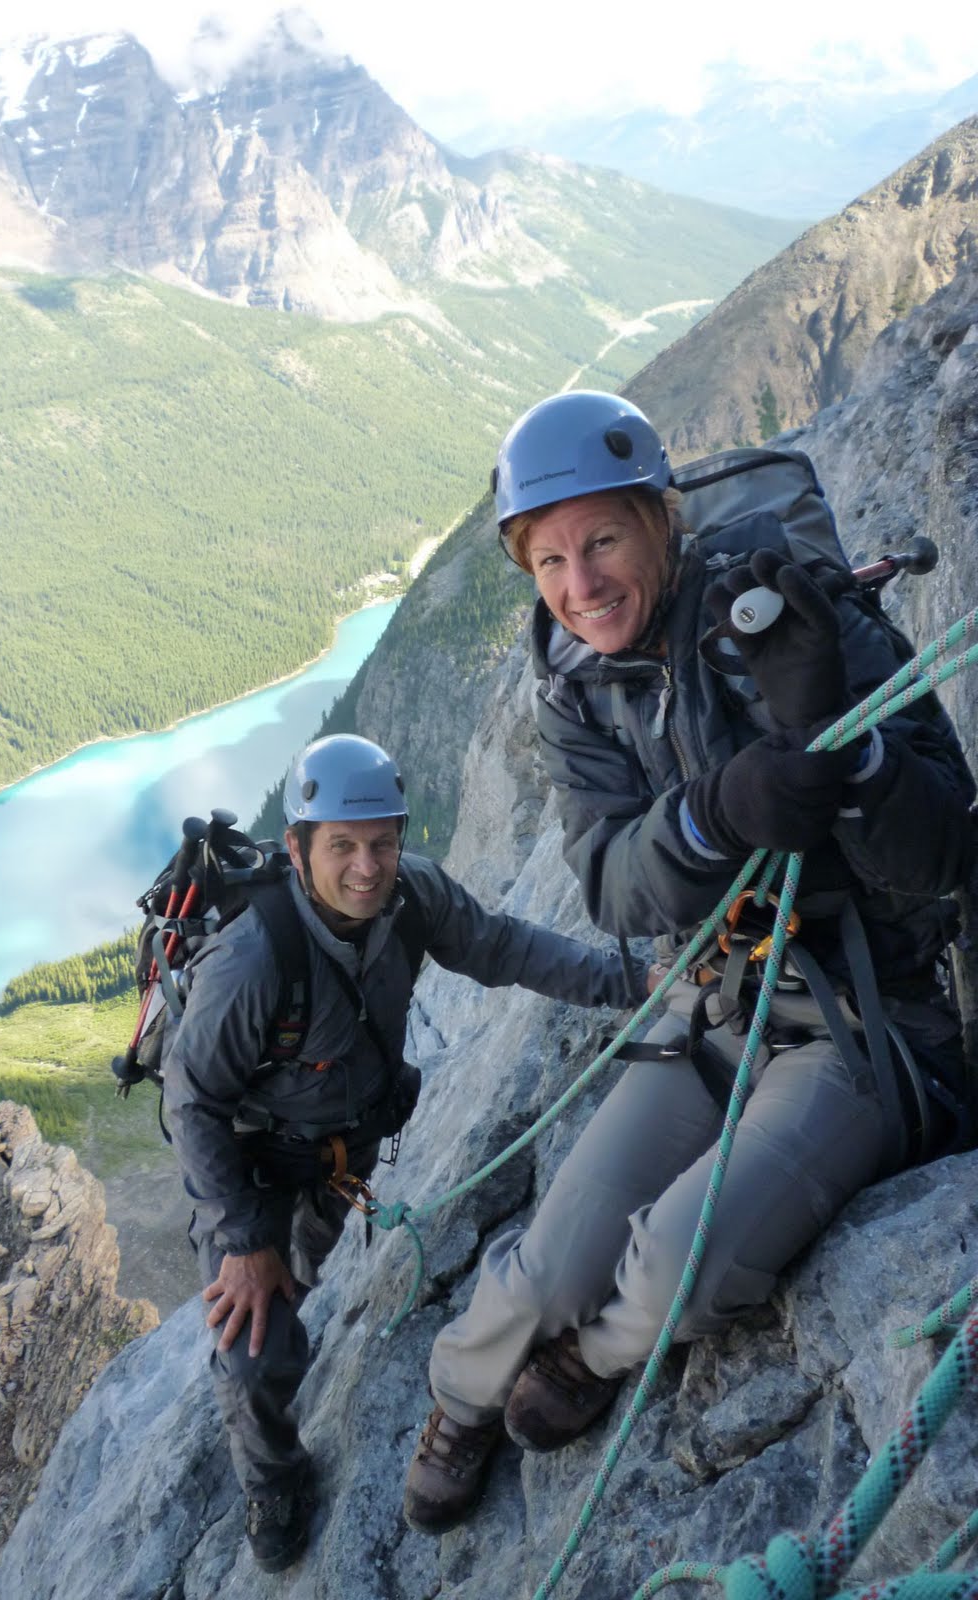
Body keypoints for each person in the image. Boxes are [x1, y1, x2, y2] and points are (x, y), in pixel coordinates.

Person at [403, 389, 976, 1535]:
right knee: (542, 1265)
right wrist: (717, 814)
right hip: (719, 1007)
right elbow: (615, 883)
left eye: (604, 539)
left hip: (863, 1024)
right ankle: (462, 1397)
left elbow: (950, 845)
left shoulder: (795, 614)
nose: (582, 584)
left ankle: (604, 1356)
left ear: (662, 521)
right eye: (551, 559)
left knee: (672, 1270)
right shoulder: (575, 686)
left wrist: (849, 757)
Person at [163, 732, 644, 1573]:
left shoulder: (412, 898)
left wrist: (631, 987)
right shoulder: (251, 959)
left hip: (336, 1159)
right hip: (250, 1172)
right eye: (342, 846)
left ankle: (289, 1302)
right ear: (298, 848)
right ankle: (273, 1478)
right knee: (252, 1354)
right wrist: (242, 1242)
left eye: (382, 842)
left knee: (304, 1281)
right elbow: (191, 1098)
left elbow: (508, 949)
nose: (365, 866)